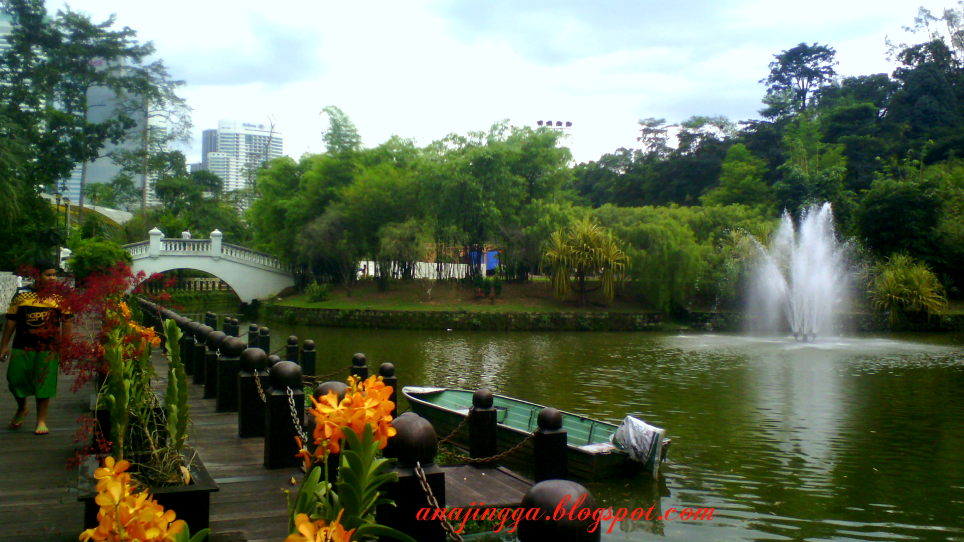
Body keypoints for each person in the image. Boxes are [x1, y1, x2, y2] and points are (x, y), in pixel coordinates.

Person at [1, 260, 71, 435]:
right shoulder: (22, 294)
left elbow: (67, 322)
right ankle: (22, 407)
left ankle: (41, 421)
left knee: (44, 383)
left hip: (49, 347)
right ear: (37, 276)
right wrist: (4, 345)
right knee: (14, 378)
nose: (53, 278)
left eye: (55, 275)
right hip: (22, 345)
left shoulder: (59, 296)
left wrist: (66, 347)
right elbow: (11, 320)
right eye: (48, 275)